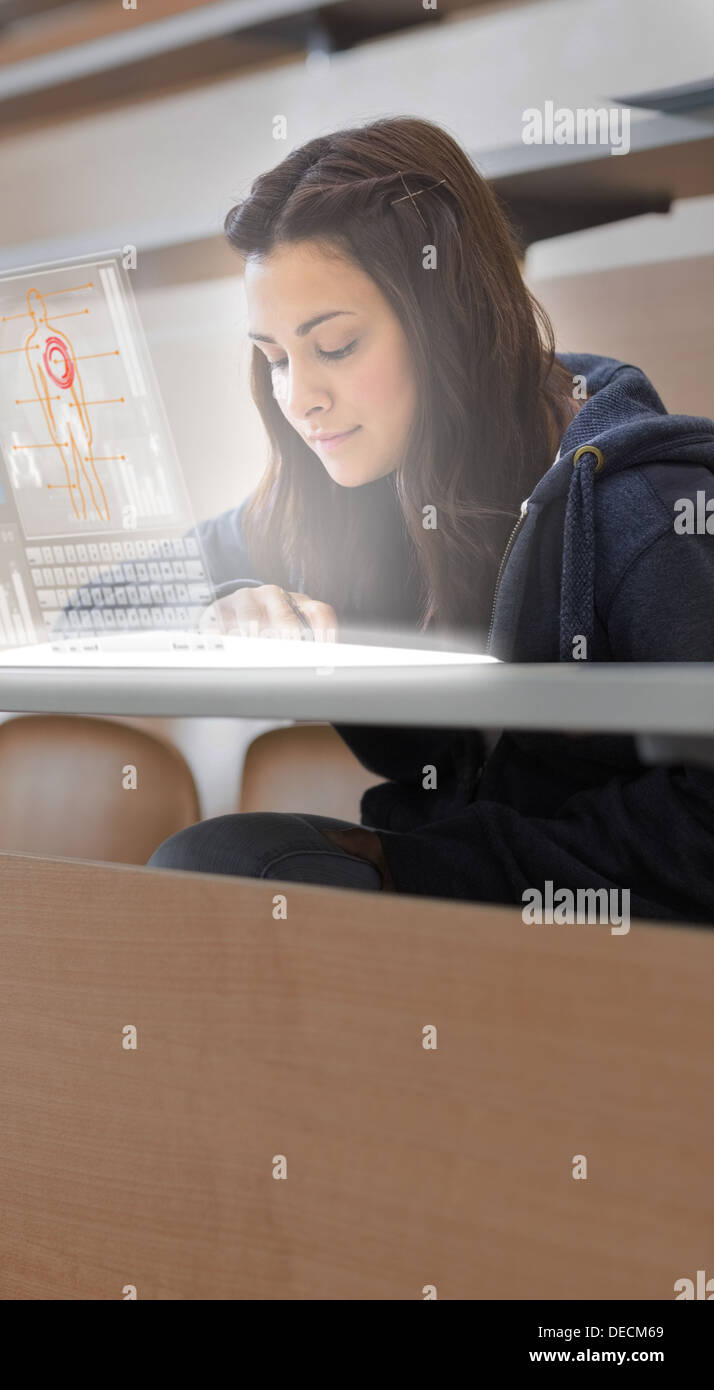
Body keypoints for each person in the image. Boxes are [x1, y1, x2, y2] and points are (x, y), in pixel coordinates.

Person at [147, 115, 714, 923]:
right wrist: (226, 598)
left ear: (446, 318)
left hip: (624, 959)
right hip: (466, 914)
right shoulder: (338, 493)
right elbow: (106, 595)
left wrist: (427, 866)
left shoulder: (646, 513)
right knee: (206, 871)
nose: (298, 395)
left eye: (335, 345)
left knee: (223, 867)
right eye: (274, 358)